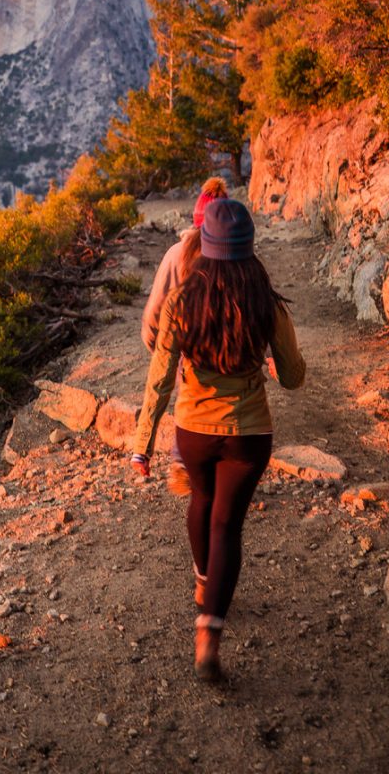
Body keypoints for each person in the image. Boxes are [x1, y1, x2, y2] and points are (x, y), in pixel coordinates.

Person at [131, 199, 305, 681]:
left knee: (201, 503)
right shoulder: (264, 299)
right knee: (227, 525)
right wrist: (275, 365)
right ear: (249, 245)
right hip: (249, 435)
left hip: (194, 432)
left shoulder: (183, 299)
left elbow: (160, 378)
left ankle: (203, 583)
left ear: (204, 244)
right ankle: (209, 630)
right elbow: (292, 377)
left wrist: (142, 443)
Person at [138, 177, 229, 495]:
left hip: (186, 350)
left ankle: (183, 461)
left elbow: (153, 314)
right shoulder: (238, 255)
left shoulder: (176, 255)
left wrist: (161, 347)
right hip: (231, 351)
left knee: (188, 400)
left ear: (196, 220)